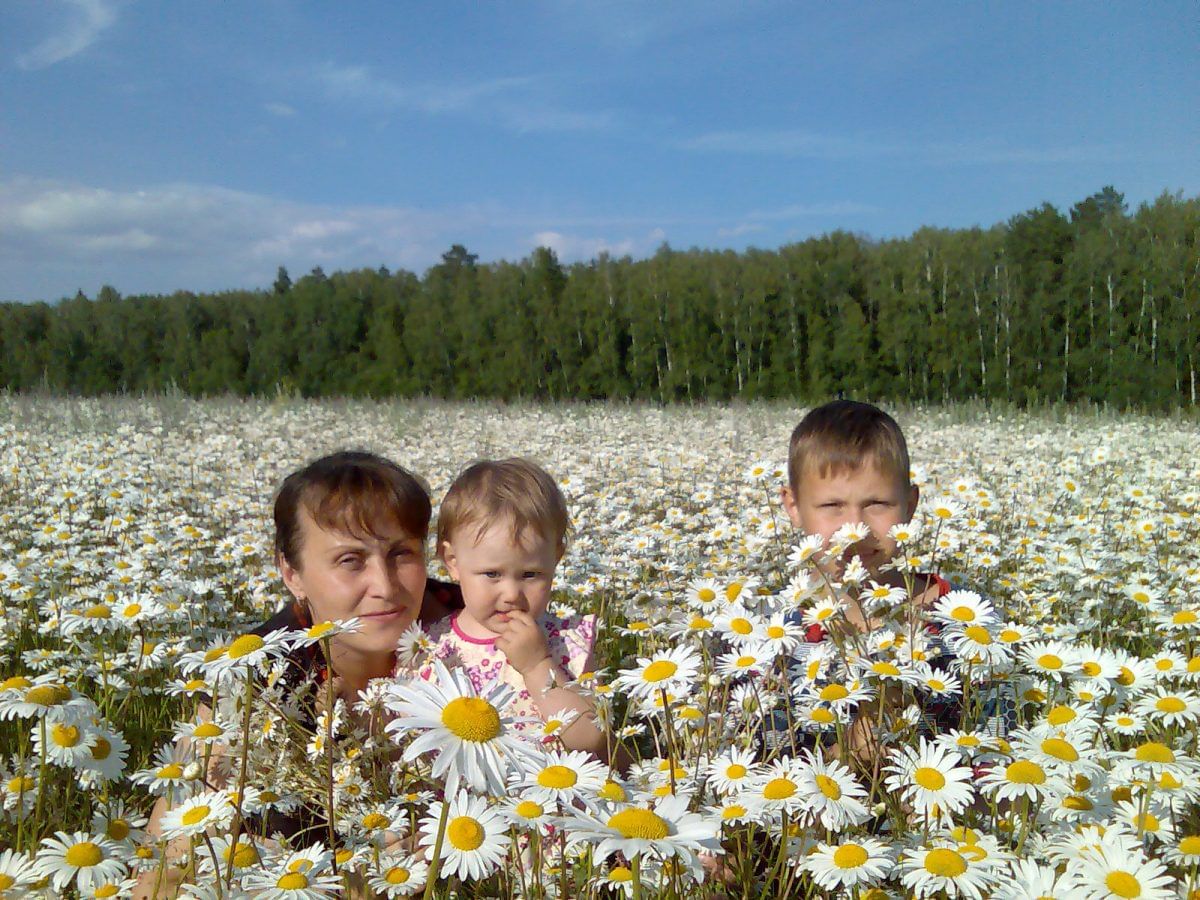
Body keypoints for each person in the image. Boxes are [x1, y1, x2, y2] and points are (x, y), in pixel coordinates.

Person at [135, 451, 462, 898]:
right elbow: (166, 869)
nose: (385, 586)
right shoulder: (252, 684)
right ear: (292, 574)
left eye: (401, 553)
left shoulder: (473, 629)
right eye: (350, 560)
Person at [777, 401, 960, 764]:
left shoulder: (960, 621)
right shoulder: (776, 633)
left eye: (877, 504)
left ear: (910, 504)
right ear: (793, 506)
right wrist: (845, 758)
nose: (855, 531)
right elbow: (752, 762)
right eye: (832, 506)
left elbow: (998, 747)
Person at [426, 458, 617, 762]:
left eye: (530, 575)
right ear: (452, 562)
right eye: (492, 574)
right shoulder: (429, 645)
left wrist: (537, 666)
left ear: (556, 558)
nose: (511, 594)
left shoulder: (566, 642)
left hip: (552, 801)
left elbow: (591, 738)